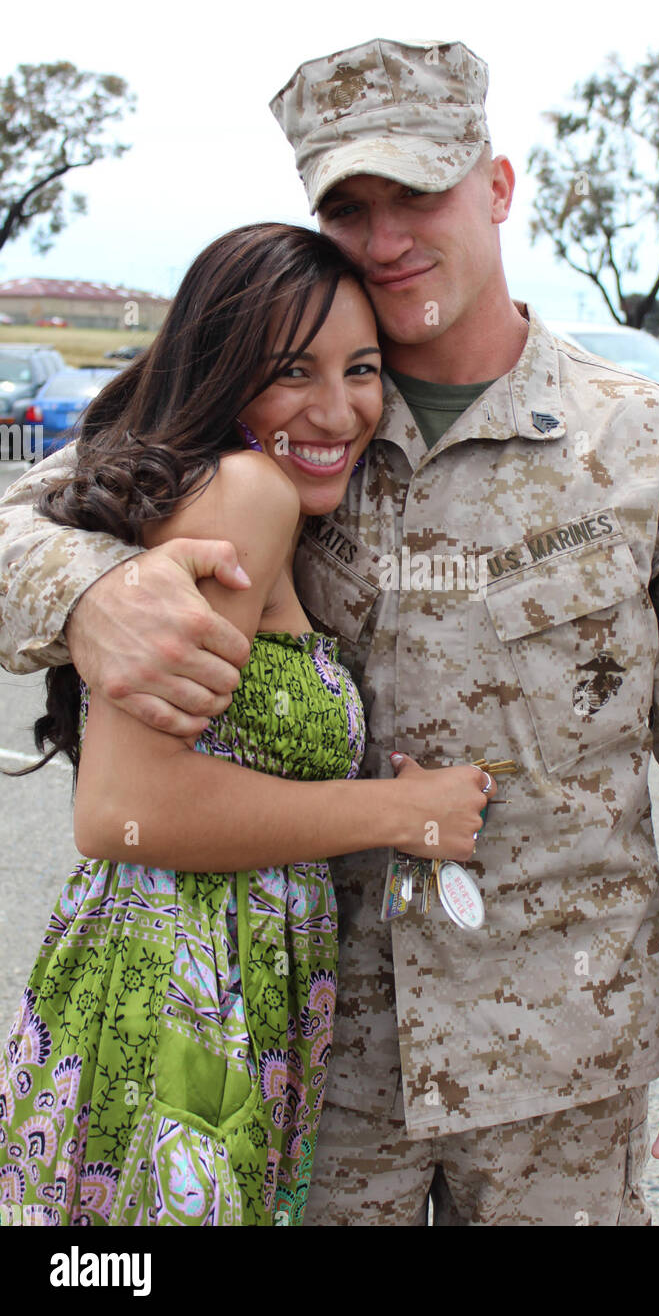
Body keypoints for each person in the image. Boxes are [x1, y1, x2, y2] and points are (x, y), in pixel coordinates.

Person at [0, 39, 659, 1227]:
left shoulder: (647, 447)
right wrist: (85, 595)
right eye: (349, 204)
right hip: (319, 1045)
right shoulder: (281, 406)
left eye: (418, 192)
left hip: (560, 1060)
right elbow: (22, 520)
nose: (385, 234)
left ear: (494, 186)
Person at [0, 220, 491, 1227]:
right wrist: (397, 812)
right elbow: (125, 805)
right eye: (290, 372)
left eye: (360, 369)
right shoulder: (247, 491)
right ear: (224, 376)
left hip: (222, 983)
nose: (336, 408)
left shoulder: (239, 489)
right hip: (179, 991)